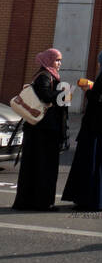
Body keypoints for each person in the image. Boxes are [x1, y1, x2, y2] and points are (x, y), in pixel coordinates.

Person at [61, 49, 102, 211]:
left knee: (91, 162)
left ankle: (89, 198)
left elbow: (97, 100)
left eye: (100, 61)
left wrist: (88, 91)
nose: (99, 64)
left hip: (96, 127)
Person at [13, 49, 68, 211]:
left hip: (43, 129)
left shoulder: (49, 76)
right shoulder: (44, 76)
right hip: (43, 130)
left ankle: (33, 201)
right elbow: (46, 97)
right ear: (49, 60)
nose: (59, 63)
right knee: (44, 166)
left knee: (37, 165)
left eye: (60, 60)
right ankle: (42, 202)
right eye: (57, 60)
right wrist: (64, 93)